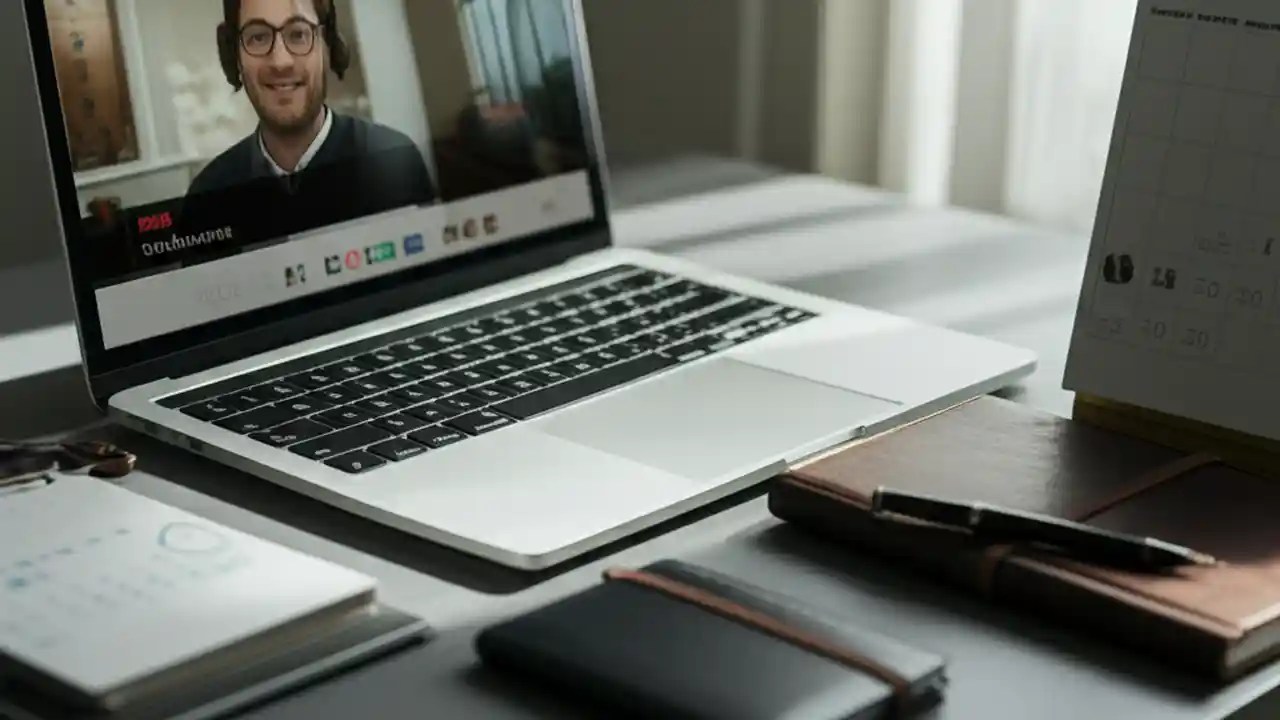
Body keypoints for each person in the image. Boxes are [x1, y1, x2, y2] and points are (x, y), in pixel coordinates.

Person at [187, 0, 435, 218]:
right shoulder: (207, 196)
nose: (280, 61)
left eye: (298, 34)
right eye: (258, 37)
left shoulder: (395, 159)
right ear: (236, 56)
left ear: (327, 45)